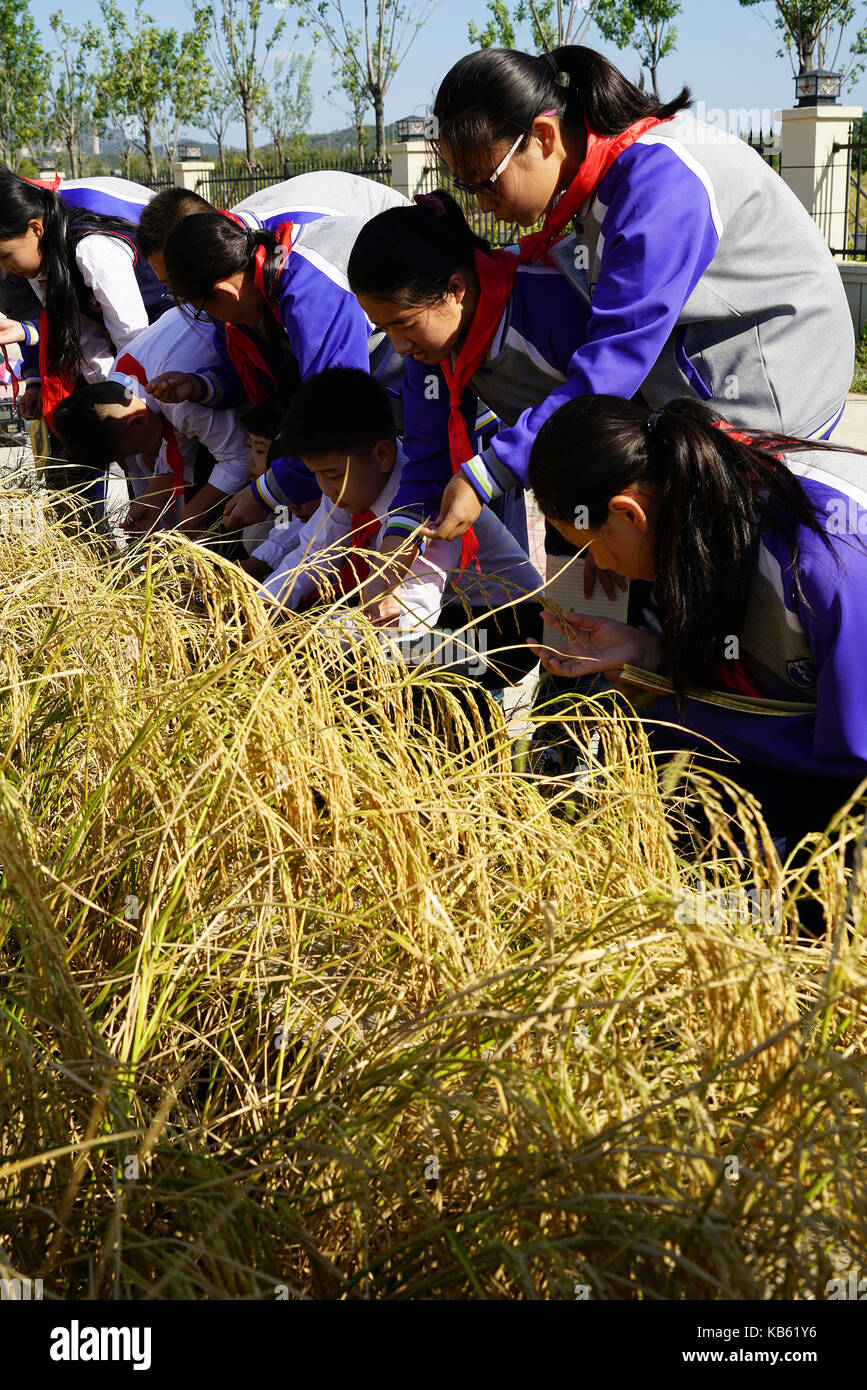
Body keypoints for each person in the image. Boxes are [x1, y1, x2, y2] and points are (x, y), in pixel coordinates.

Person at [422, 45, 855, 544]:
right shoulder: (599, 181)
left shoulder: (658, 183)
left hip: (770, 390)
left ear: (542, 137)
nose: (484, 206)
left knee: (739, 565)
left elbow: (611, 365)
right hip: (710, 387)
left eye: (489, 185)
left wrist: (489, 473)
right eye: (468, 189)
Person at [525, 394, 867, 863]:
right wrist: (648, 655)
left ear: (629, 512)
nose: (602, 566)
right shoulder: (699, 501)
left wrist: (672, 699)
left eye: (591, 547)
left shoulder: (824, 561)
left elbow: (852, 754)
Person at [347, 188, 593, 621]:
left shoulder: (548, 300)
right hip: (570, 498)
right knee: (576, 635)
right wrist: (390, 561)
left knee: (638, 642)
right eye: (385, 329)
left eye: (403, 325)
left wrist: (485, 478)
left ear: (455, 290)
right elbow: (427, 461)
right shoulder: (432, 352)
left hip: (628, 484)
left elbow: (603, 404)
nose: (400, 347)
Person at [259, 367, 542, 691]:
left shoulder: (427, 499)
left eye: (333, 475)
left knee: (359, 658)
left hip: (505, 633)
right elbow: (314, 555)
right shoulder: (349, 489)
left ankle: (461, 731)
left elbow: (411, 612)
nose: (326, 489)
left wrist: (316, 639)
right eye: (317, 476)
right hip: (443, 615)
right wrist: (263, 606)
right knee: (317, 627)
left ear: (383, 455)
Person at [160, 211, 405, 528]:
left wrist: (266, 494)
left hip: (430, 400)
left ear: (225, 291)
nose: (217, 320)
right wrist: (200, 385)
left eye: (205, 309)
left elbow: (337, 415)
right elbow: (257, 370)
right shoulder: (267, 269)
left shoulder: (309, 292)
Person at [51, 307, 249, 538]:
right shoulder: (122, 378)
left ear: (136, 423)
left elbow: (239, 458)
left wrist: (189, 520)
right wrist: (154, 500)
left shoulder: (179, 395)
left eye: (133, 450)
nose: (141, 454)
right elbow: (175, 433)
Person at [0, 168, 170, 428]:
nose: (5, 269)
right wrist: (112, 401)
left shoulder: (92, 249)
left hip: (166, 352)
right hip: (142, 362)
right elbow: (86, 343)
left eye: (4, 256)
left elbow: (132, 339)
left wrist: (137, 408)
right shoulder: (41, 269)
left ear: (35, 229)